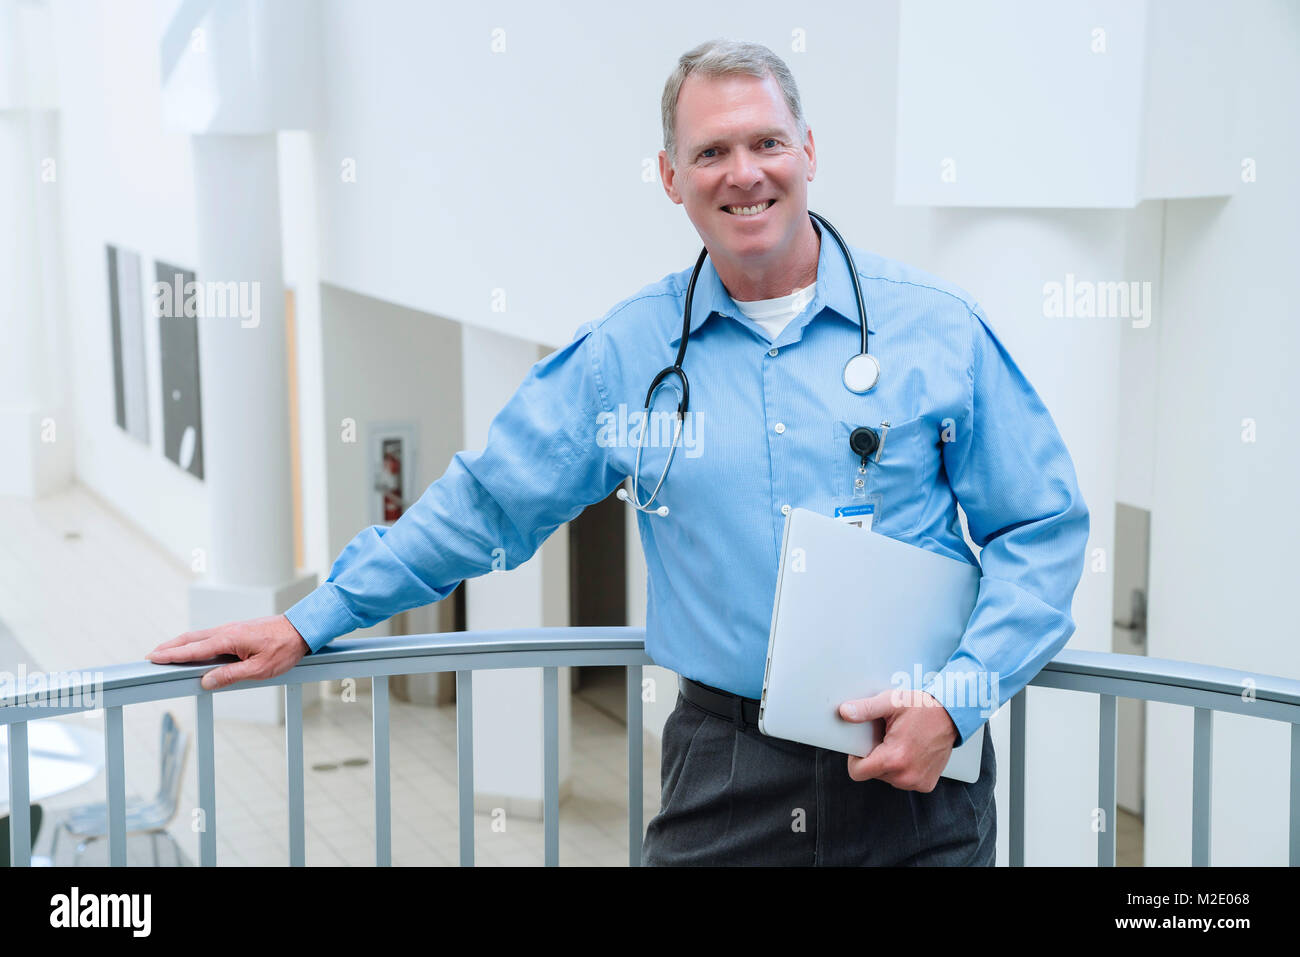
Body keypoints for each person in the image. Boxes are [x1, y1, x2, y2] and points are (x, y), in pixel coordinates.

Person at [148, 38, 1089, 866]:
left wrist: (959, 701)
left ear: (809, 151)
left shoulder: (938, 331)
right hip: (729, 767)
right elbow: (488, 505)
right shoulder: (628, 356)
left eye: (766, 141)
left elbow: (1041, 528)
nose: (744, 172)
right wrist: (312, 619)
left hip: (918, 764)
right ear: (671, 177)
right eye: (710, 151)